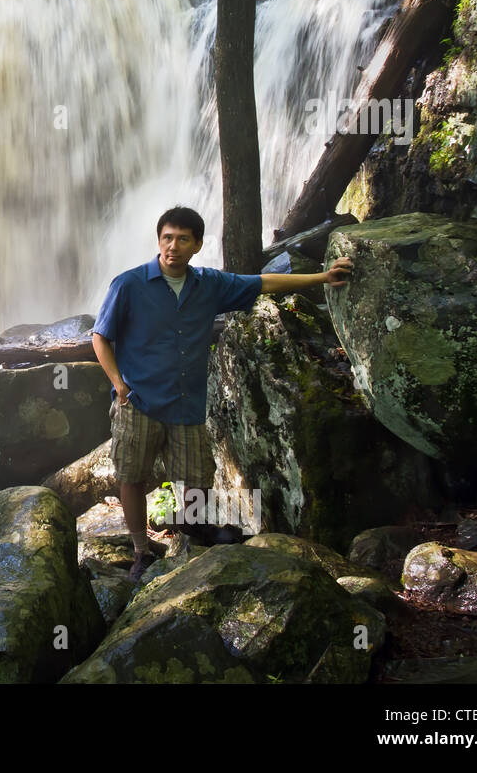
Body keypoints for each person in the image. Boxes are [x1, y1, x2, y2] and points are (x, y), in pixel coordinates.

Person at [90, 205, 354, 582]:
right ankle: (140, 552)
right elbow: (100, 337)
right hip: (139, 403)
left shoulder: (209, 286)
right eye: (167, 238)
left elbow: (263, 283)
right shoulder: (129, 285)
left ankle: (190, 535)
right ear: (158, 240)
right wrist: (118, 384)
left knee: (197, 478)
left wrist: (323, 278)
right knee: (132, 477)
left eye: (183, 239)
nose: (173, 246)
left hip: (187, 403)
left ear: (197, 245)